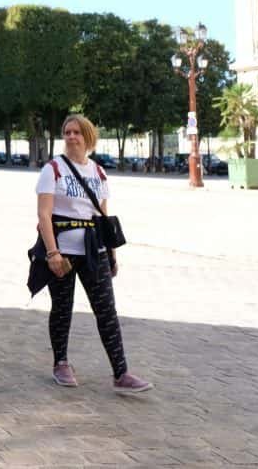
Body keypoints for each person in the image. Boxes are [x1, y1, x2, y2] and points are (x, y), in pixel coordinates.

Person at [33, 114, 153, 393]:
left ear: (88, 137)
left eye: (77, 132)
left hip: (94, 249)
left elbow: (102, 215)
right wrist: (52, 253)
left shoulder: (98, 172)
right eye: (67, 132)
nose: (71, 137)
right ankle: (60, 362)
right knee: (62, 308)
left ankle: (121, 372)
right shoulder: (53, 169)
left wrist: (111, 253)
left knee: (106, 311)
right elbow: (44, 214)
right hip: (63, 251)